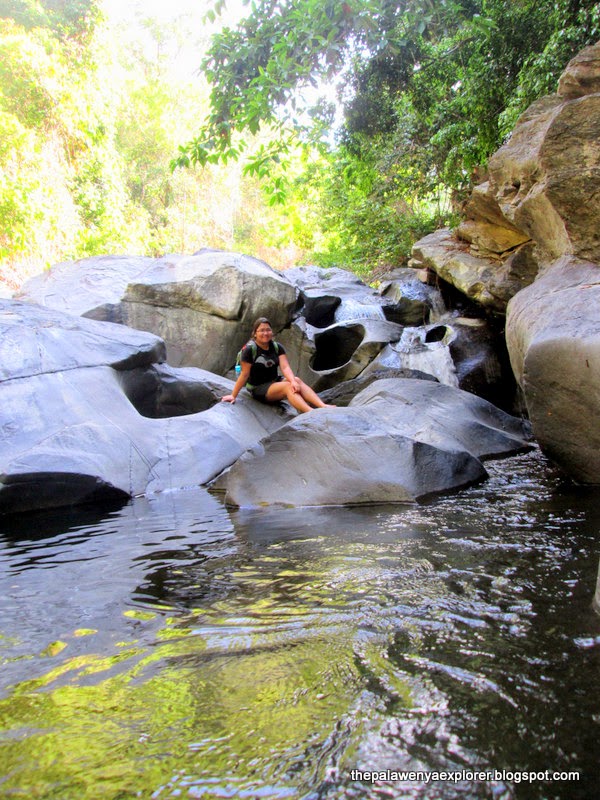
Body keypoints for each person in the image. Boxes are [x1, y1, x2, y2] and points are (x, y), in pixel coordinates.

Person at [221, 317, 335, 413]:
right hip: (258, 388)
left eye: (268, 330)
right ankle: (310, 412)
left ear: (272, 331)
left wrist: (293, 381)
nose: (265, 333)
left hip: (274, 381)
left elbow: (285, 367)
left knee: (296, 380)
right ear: (255, 333)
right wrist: (233, 395)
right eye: (261, 330)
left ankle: (322, 406)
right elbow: (244, 375)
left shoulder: (276, 347)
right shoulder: (249, 350)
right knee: (288, 387)